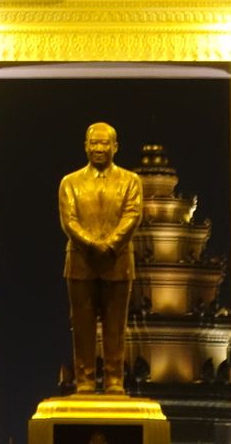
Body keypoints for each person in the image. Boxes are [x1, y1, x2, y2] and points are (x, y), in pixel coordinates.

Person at [58, 121, 143, 395]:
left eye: (104, 143)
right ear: (85, 146)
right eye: (93, 143)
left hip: (117, 261)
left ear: (115, 147)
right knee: (82, 326)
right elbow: (69, 221)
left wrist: (111, 244)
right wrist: (93, 244)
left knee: (115, 326)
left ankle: (114, 380)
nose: (98, 148)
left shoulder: (131, 181)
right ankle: (84, 380)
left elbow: (133, 215)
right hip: (80, 262)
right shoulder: (70, 183)